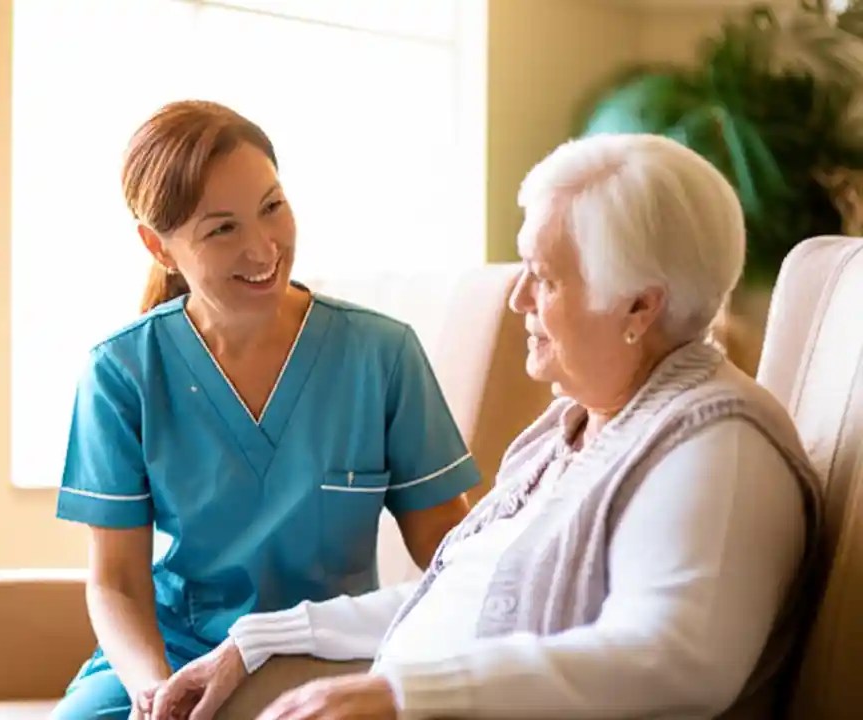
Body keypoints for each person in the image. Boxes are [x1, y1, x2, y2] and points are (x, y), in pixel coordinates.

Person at [150, 133, 824, 720]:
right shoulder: (577, 430)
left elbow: (676, 657)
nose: (518, 298)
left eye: (544, 277)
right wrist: (258, 639)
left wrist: (407, 694)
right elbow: (464, 596)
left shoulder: (714, 447)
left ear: (639, 307)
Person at [51, 100, 480, 719]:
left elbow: (451, 551)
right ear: (160, 247)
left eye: (272, 208)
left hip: (331, 656)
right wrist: (152, 691)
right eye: (222, 229)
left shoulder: (382, 356)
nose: (263, 249)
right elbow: (116, 579)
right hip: (176, 655)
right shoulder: (121, 373)